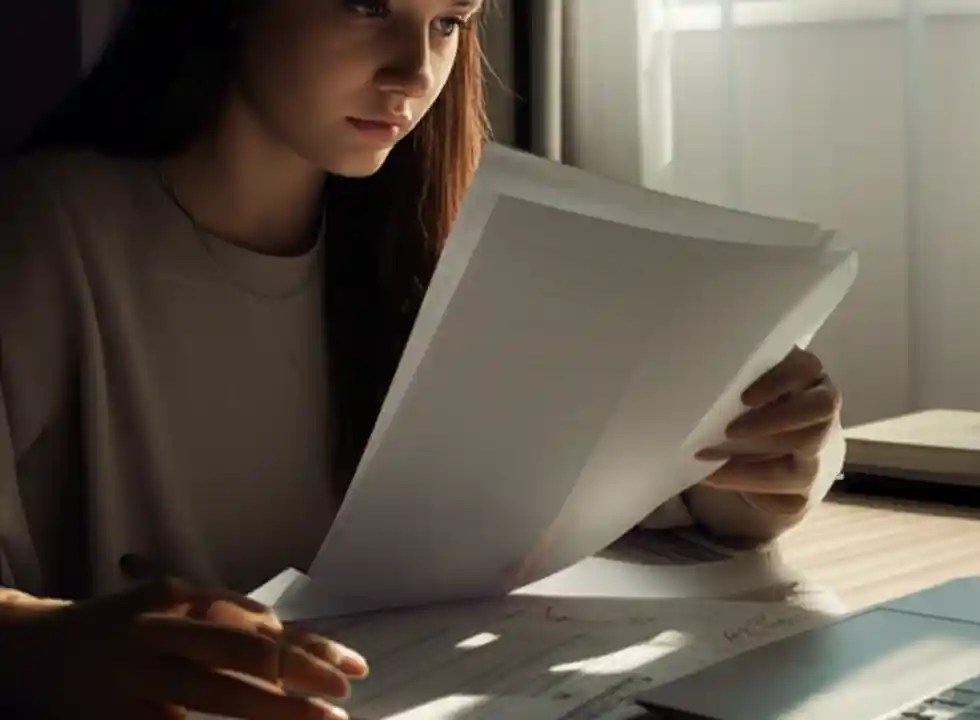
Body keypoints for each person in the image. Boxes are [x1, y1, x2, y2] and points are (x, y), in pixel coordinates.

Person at [0, 0, 846, 717]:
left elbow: (605, 501)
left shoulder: (438, 249)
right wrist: (52, 643)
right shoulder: (47, 234)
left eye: (449, 22)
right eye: (368, 4)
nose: (414, 71)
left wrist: (755, 471)